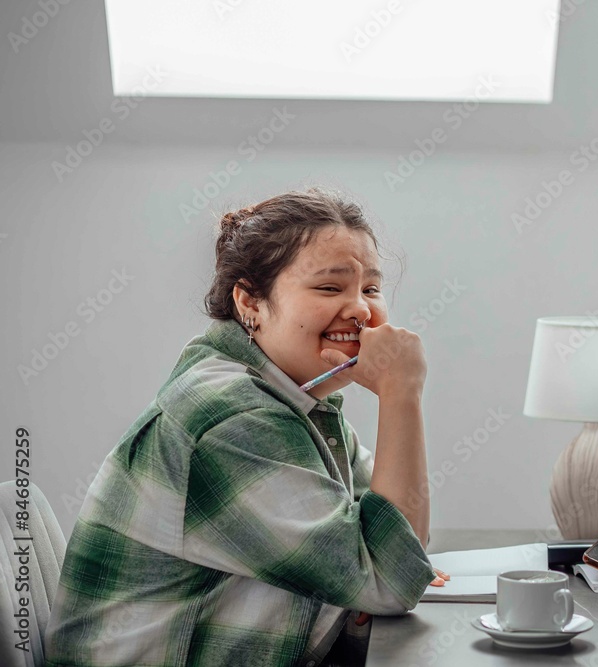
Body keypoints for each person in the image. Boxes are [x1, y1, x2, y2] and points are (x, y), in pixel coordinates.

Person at [44, 189, 439, 667]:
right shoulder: (232, 416)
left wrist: (377, 571)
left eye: (371, 289)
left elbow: (390, 551)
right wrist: (402, 394)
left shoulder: (294, 397)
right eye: (330, 288)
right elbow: (391, 575)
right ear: (249, 300)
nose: (360, 309)